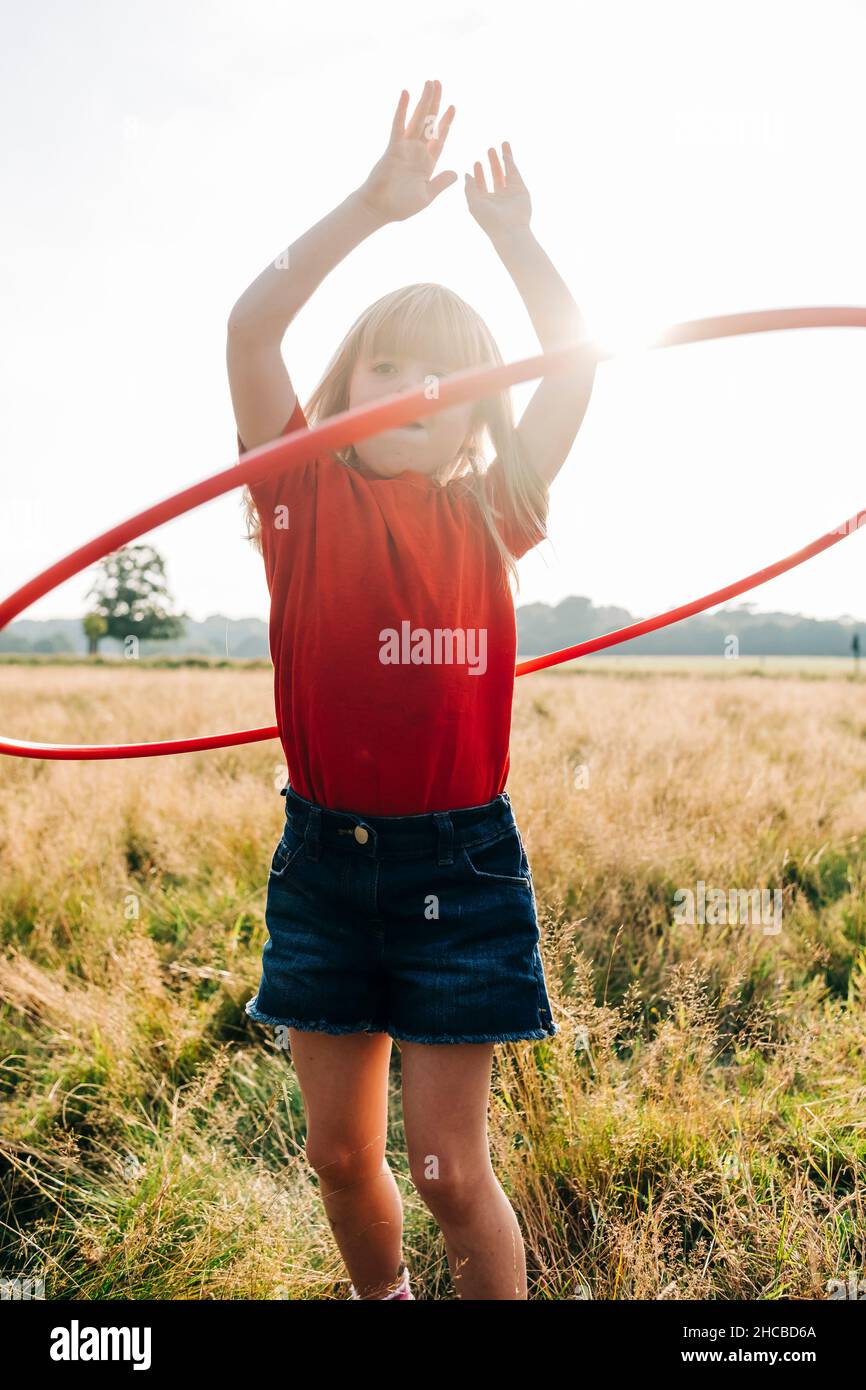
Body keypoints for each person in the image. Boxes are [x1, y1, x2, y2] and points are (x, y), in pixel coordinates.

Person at [226, 79, 596, 1300]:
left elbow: (575, 366)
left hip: (458, 866)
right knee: (339, 1156)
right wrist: (370, 208)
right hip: (324, 865)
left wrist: (516, 241)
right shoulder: (296, 498)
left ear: (475, 414)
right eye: (384, 365)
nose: (409, 387)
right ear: (340, 390)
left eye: (442, 378)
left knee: (445, 1169)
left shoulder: (493, 513)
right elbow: (251, 327)